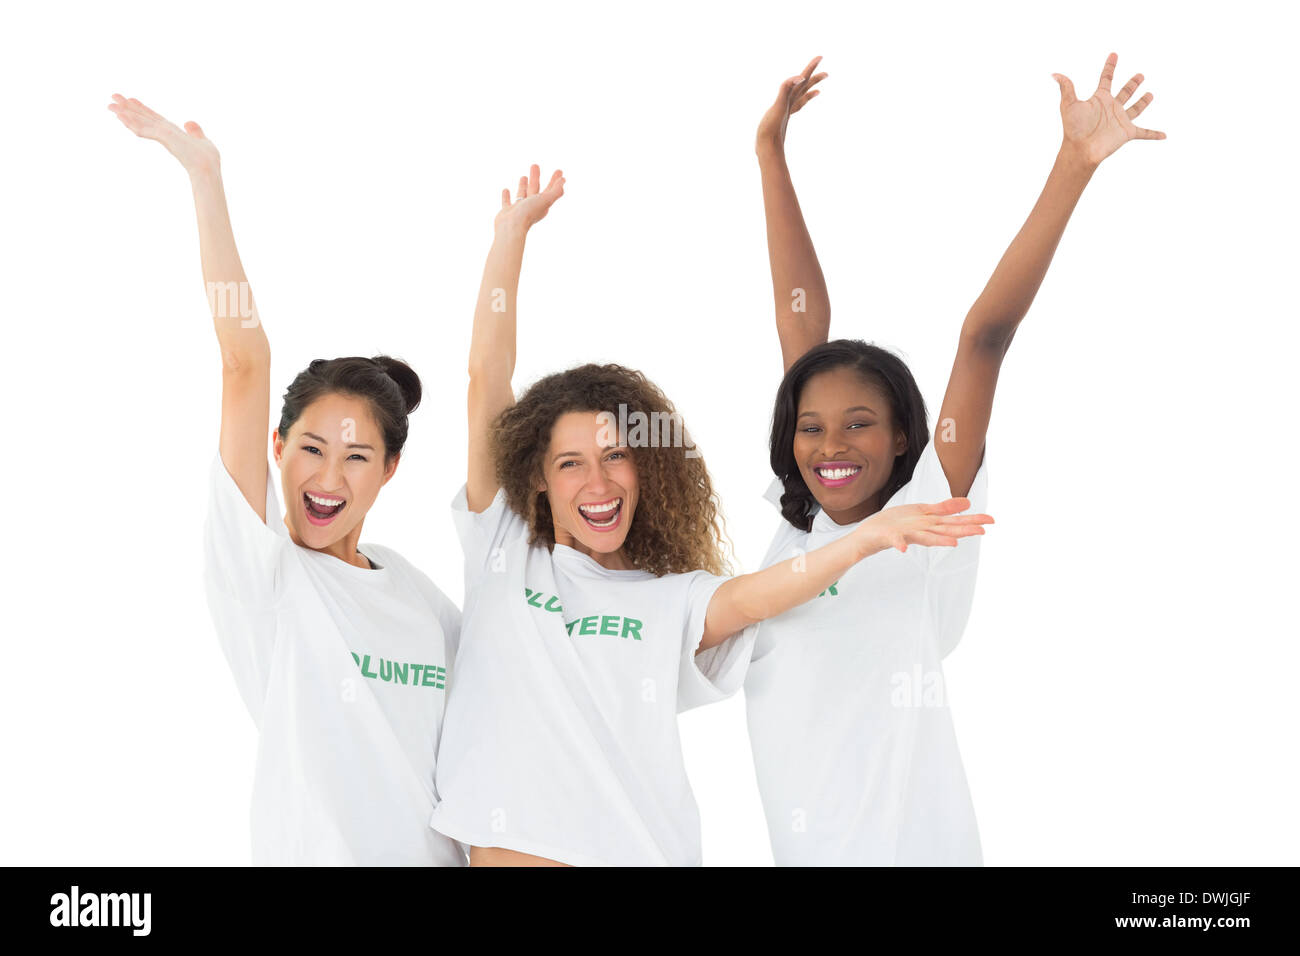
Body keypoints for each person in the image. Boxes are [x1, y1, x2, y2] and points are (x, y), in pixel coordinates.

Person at [426, 165, 993, 866]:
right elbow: (487, 374)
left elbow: (761, 594)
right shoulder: (502, 544)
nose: (596, 482)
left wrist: (867, 539)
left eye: (615, 456)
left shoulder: (672, 600)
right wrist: (508, 238)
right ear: (535, 479)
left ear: (646, 468)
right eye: (570, 462)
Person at [744, 53, 1165, 865]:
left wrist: (1072, 167)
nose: (831, 445)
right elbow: (800, 329)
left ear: (904, 437)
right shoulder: (794, 537)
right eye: (813, 428)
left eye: (860, 425)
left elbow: (985, 338)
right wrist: (771, 154)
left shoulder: (932, 517)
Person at [108, 94, 465, 866]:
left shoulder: (418, 597)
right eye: (310, 448)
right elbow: (245, 363)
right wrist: (206, 180)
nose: (328, 476)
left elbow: (488, 735)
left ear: (390, 470)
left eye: (357, 456)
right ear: (276, 447)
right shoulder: (263, 575)